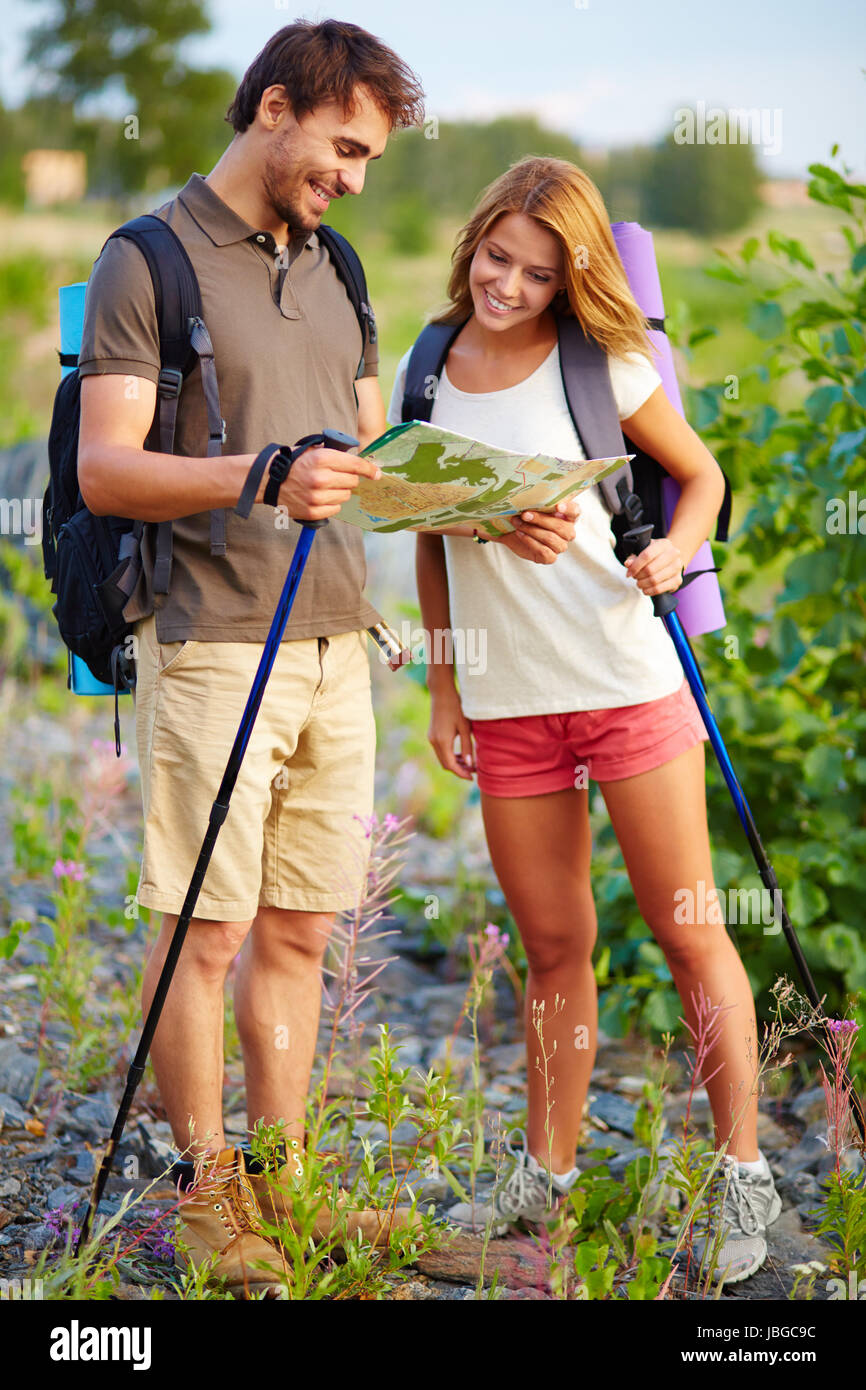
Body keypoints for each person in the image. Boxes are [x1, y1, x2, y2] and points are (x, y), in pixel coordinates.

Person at [76, 24, 576, 1298]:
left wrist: (483, 508)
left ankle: (281, 1184)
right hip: (209, 643)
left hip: (333, 641)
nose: (354, 175)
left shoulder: (335, 261)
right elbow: (104, 470)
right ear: (277, 109)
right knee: (203, 932)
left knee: (301, 928)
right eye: (343, 146)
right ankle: (202, 1199)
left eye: (368, 157)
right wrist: (260, 472)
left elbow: (368, 459)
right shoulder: (147, 260)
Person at [389, 156, 781, 1284]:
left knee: (688, 930)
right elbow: (425, 526)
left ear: (570, 281)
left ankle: (742, 1168)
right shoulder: (427, 366)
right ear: (472, 241)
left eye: (536, 271)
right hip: (509, 703)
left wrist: (669, 547)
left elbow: (696, 476)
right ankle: (543, 1172)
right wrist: (445, 687)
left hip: (623, 684)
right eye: (495, 257)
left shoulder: (599, 362)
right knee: (553, 949)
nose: (506, 284)